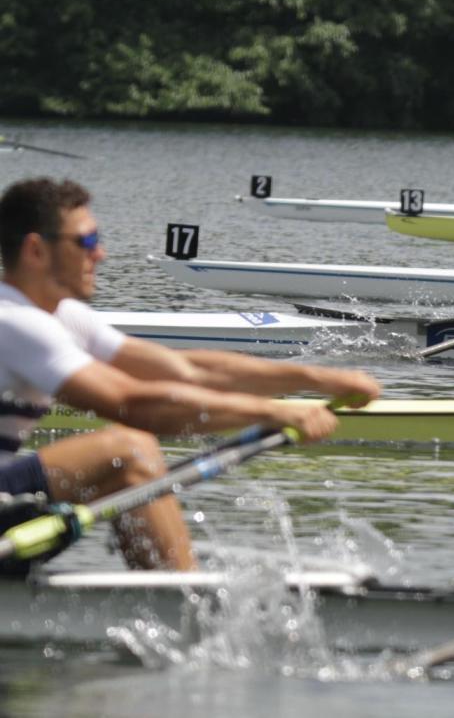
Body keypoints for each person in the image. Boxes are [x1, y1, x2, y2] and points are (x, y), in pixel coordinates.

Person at [0, 178, 380, 572]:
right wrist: (274, 413)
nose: (101, 254)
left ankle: (168, 591)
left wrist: (316, 379)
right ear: (36, 250)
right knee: (128, 452)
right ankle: (184, 605)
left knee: (131, 453)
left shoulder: (61, 316)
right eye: (87, 241)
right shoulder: (15, 322)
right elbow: (132, 404)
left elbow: (189, 370)